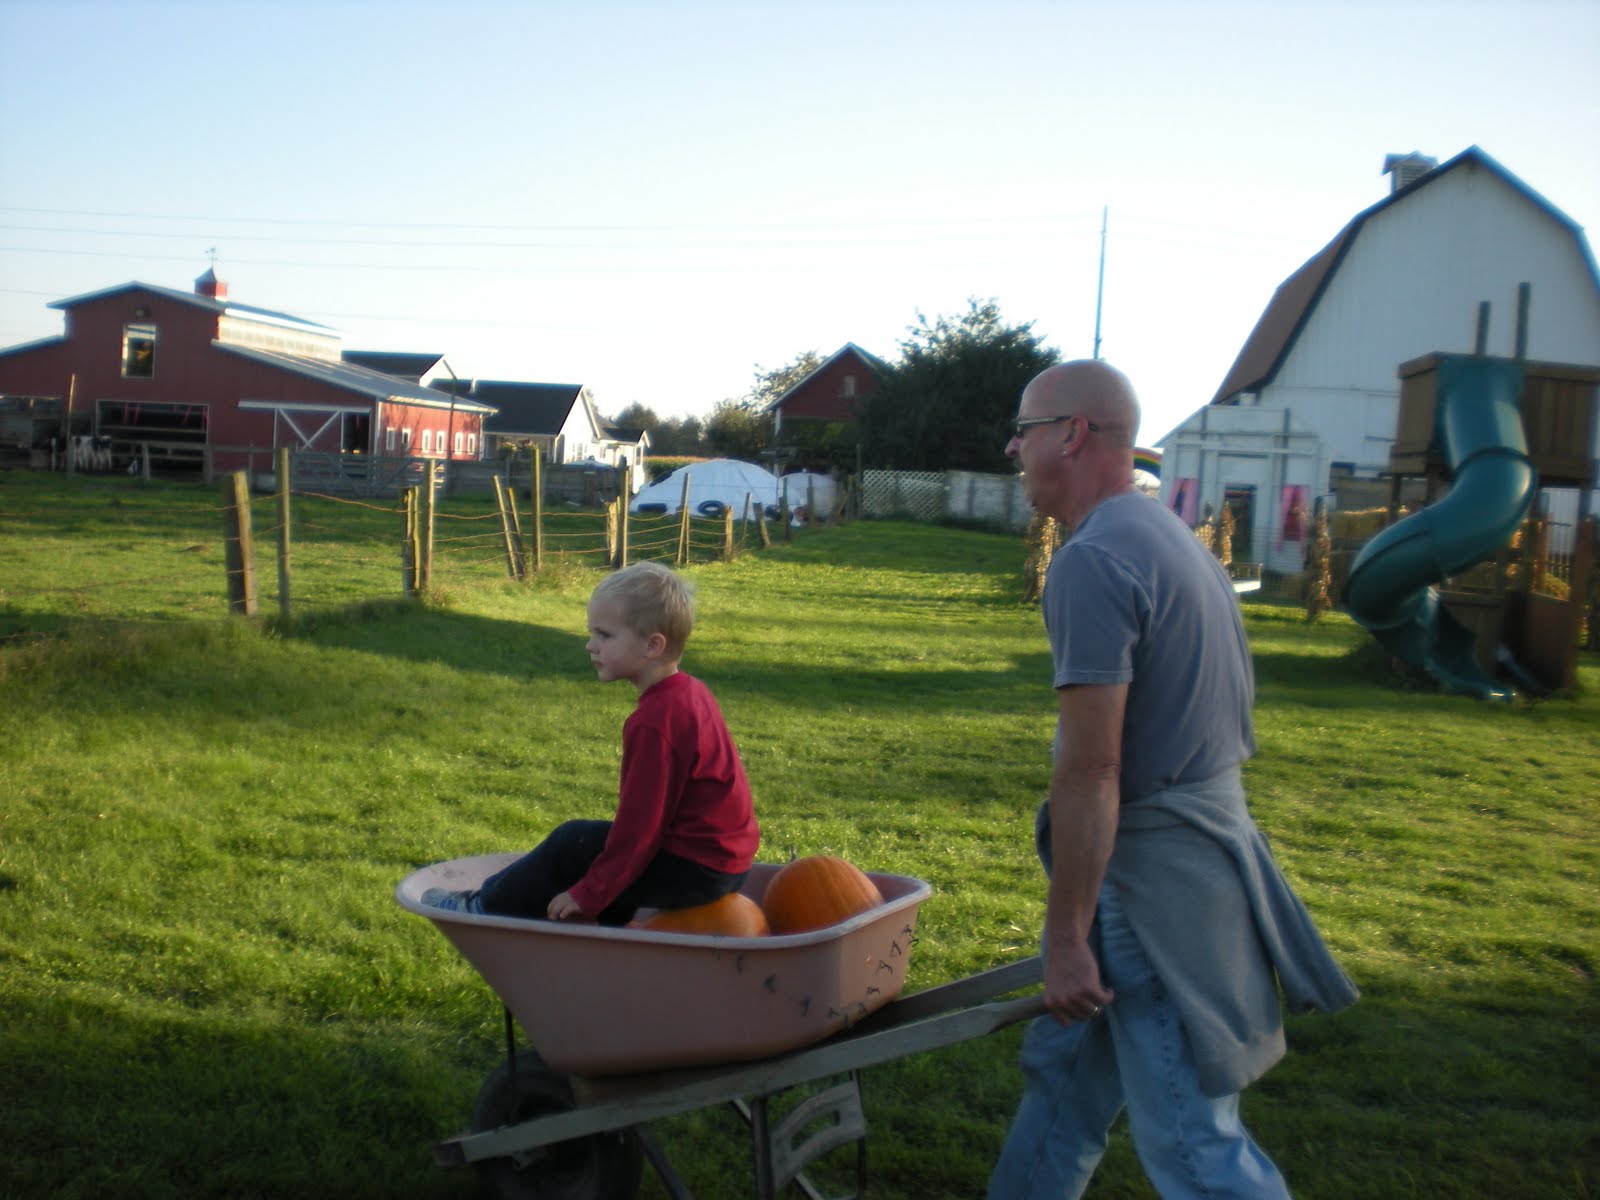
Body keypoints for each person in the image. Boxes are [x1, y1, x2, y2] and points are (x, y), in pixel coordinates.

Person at [988, 361, 1358, 1199]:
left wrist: (1070, 937)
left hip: (1154, 893)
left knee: (1196, 1150)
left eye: (1024, 427)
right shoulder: (1172, 543)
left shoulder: (1090, 563)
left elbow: (1093, 766)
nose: (1015, 446)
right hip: (1199, 862)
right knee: (1065, 1095)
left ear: (1073, 434)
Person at [423, 561, 759, 925]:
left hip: (697, 869)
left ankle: (481, 908)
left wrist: (589, 893)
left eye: (604, 635)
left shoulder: (654, 723)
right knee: (590, 844)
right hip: (724, 861)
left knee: (572, 845)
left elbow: (640, 828)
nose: (590, 645)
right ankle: (609, 928)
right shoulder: (691, 692)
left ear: (652, 645)